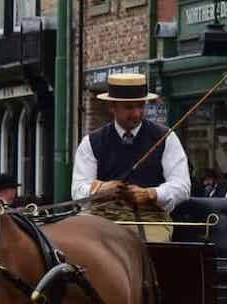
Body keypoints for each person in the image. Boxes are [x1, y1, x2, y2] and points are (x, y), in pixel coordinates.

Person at [71, 72, 191, 217]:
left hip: (149, 220)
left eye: (141, 106)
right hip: (102, 220)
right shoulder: (91, 142)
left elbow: (183, 187)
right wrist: (100, 190)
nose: (136, 114)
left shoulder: (166, 138)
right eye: (129, 107)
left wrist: (152, 194)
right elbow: (77, 190)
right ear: (112, 107)